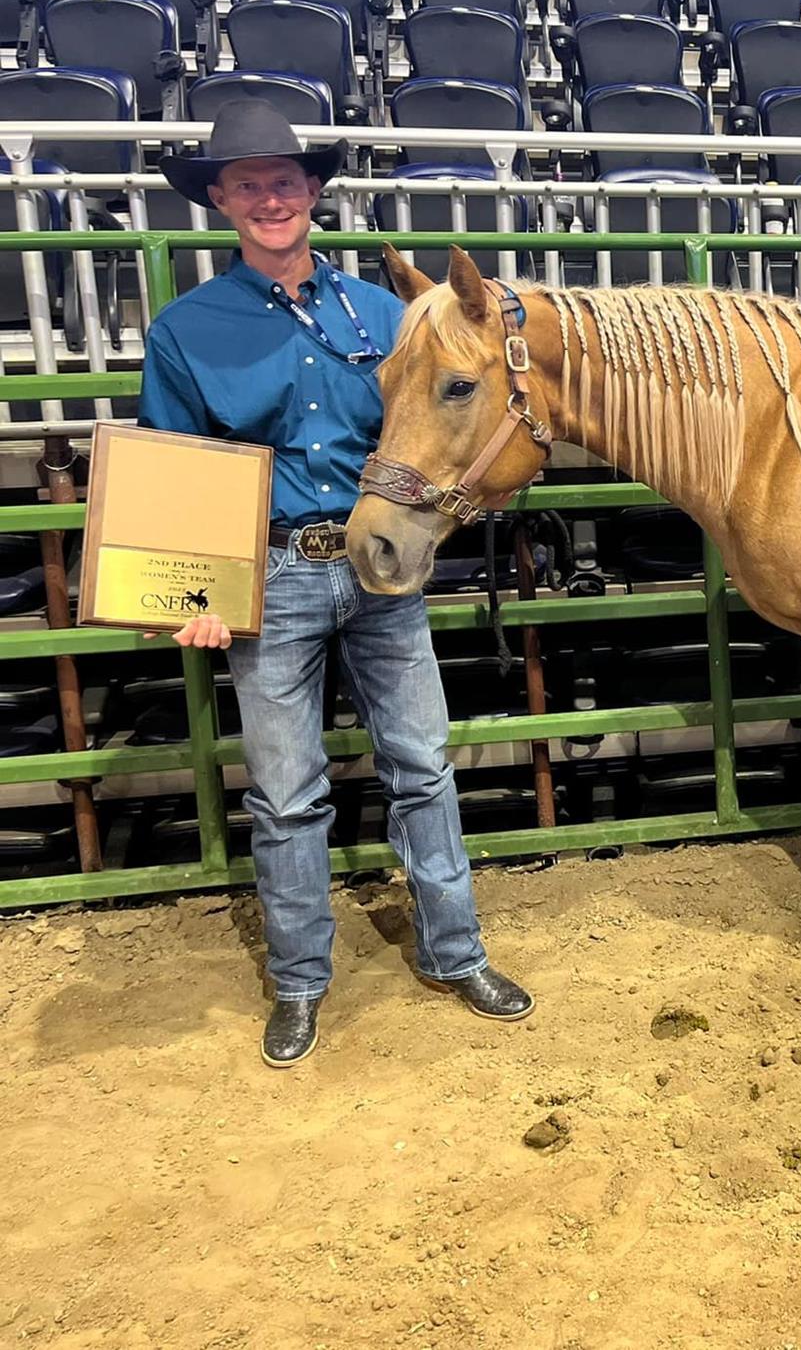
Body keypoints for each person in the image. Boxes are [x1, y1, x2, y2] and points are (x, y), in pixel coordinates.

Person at [137, 99, 533, 1069]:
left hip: (379, 569)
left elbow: (423, 443)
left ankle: (456, 952)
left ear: (311, 192)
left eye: (285, 181)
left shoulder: (386, 315)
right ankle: (302, 983)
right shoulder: (186, 330)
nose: (269, 198)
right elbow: (173, 459)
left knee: (423, 766)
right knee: (283, 795)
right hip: (267, 574)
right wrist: (189, 597)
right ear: (221, 201)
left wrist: (453, 510)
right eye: (247, 184)